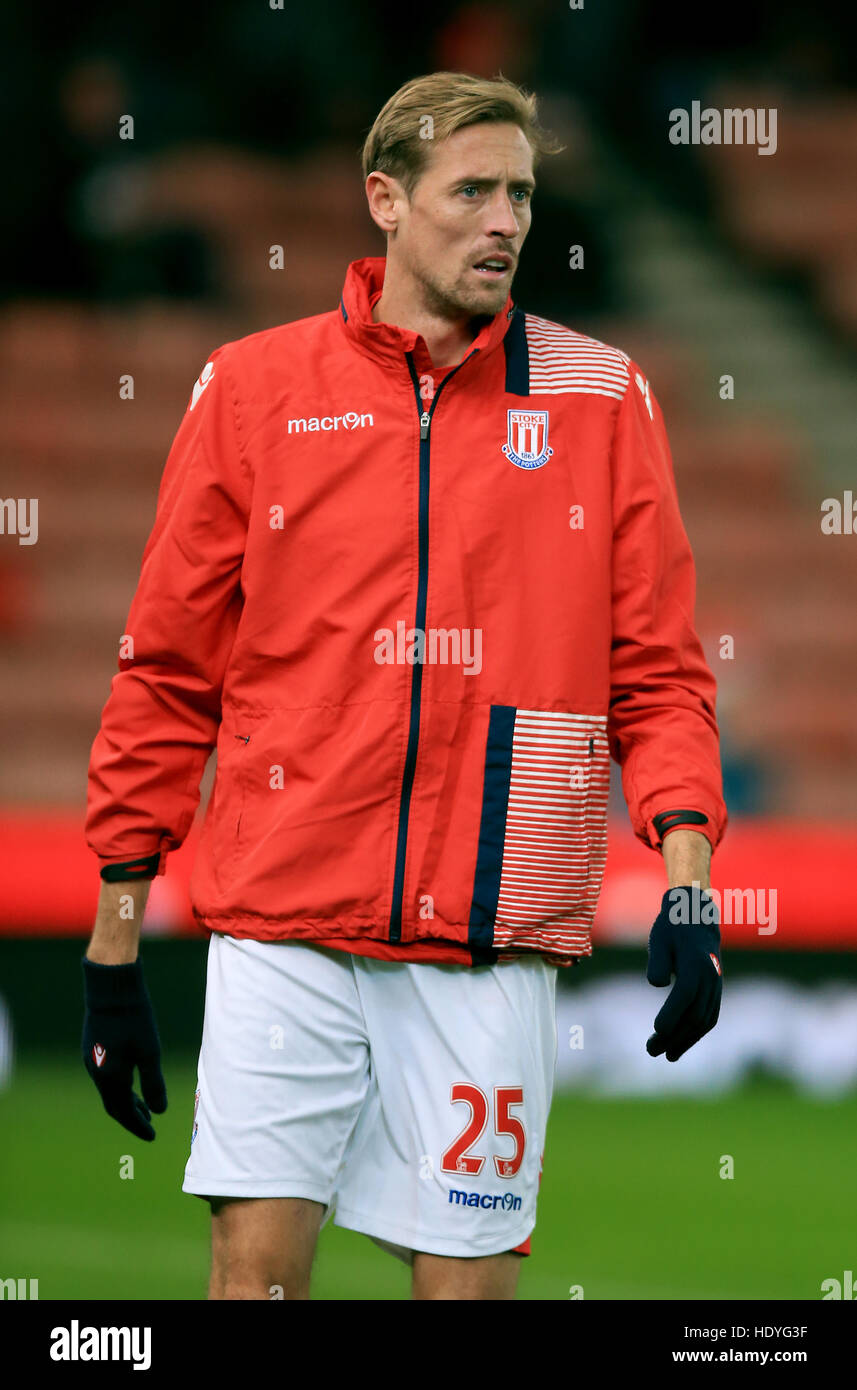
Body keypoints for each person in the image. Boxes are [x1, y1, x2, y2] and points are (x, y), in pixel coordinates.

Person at [82, 71, 726, 1301]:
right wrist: (116, 949)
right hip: (282, 914)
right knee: (252, 1278)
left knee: (465, 1295)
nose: (504, 221)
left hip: (490, 930)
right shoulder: (253, 389)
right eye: (470, 190)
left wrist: (687, 883)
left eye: (522, 193)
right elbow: (167, 671)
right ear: (384, 200)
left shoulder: (599, 397)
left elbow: (655, 671)